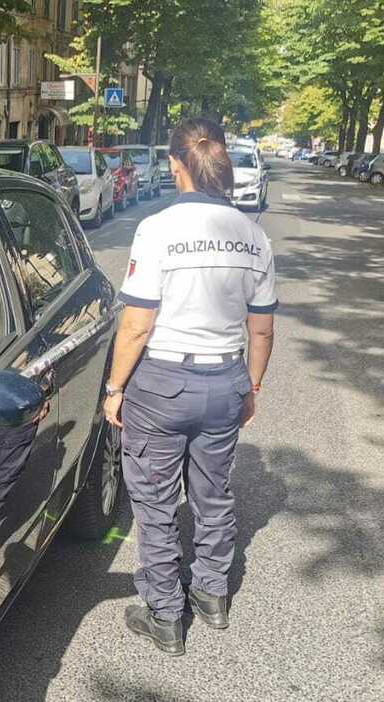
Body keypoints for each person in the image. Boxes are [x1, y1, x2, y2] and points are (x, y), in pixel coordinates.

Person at [102, 117, 277, 657]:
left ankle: (164, 614)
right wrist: (251, 385)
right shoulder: (253, 235)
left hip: (160, 384)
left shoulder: (156, 230)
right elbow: (263, 326)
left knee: (154, 503)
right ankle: (211, 594)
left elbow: (136, 324)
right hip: (224, 378)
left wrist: (114, 389)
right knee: (214, 492)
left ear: (176, 164)